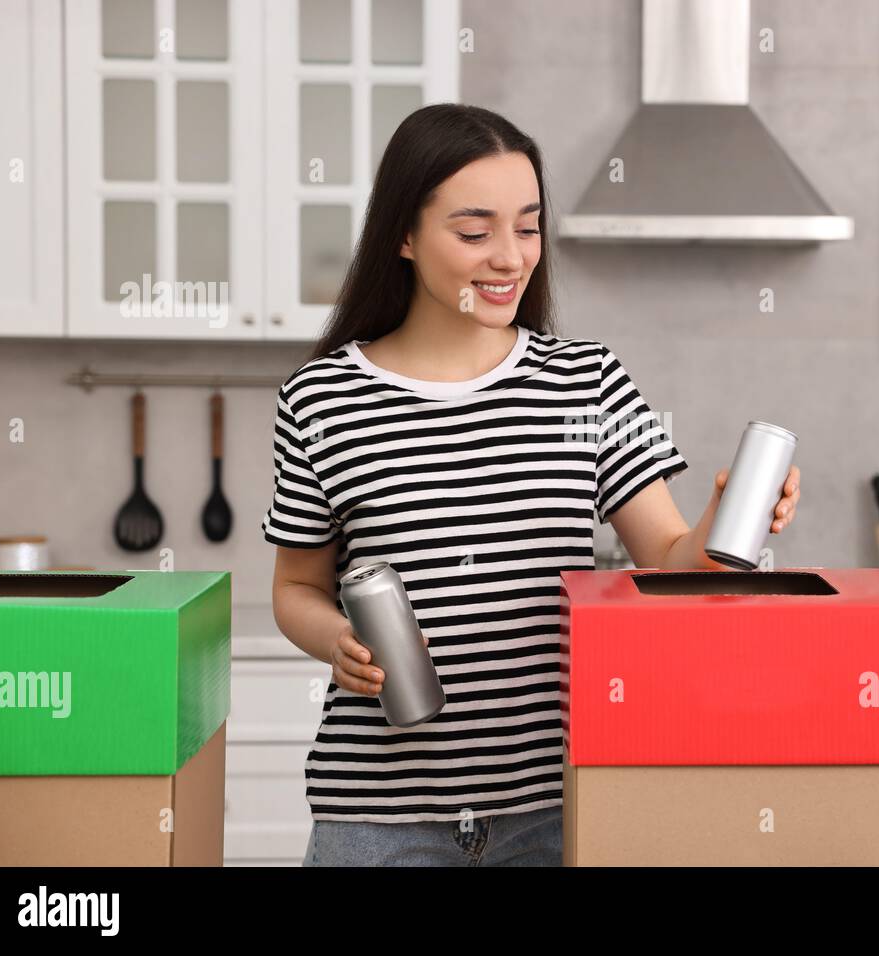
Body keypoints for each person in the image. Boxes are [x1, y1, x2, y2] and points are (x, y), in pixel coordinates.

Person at [262, 104, 801, 867]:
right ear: (404, 237)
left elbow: (672, 560)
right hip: (377, 818)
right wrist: (338, 639)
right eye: (476, 232)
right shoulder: (322, 400)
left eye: (528, 226)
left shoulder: (586, 380)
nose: (511, 258)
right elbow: (295, 588)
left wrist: (732, 514)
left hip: (552, 810)